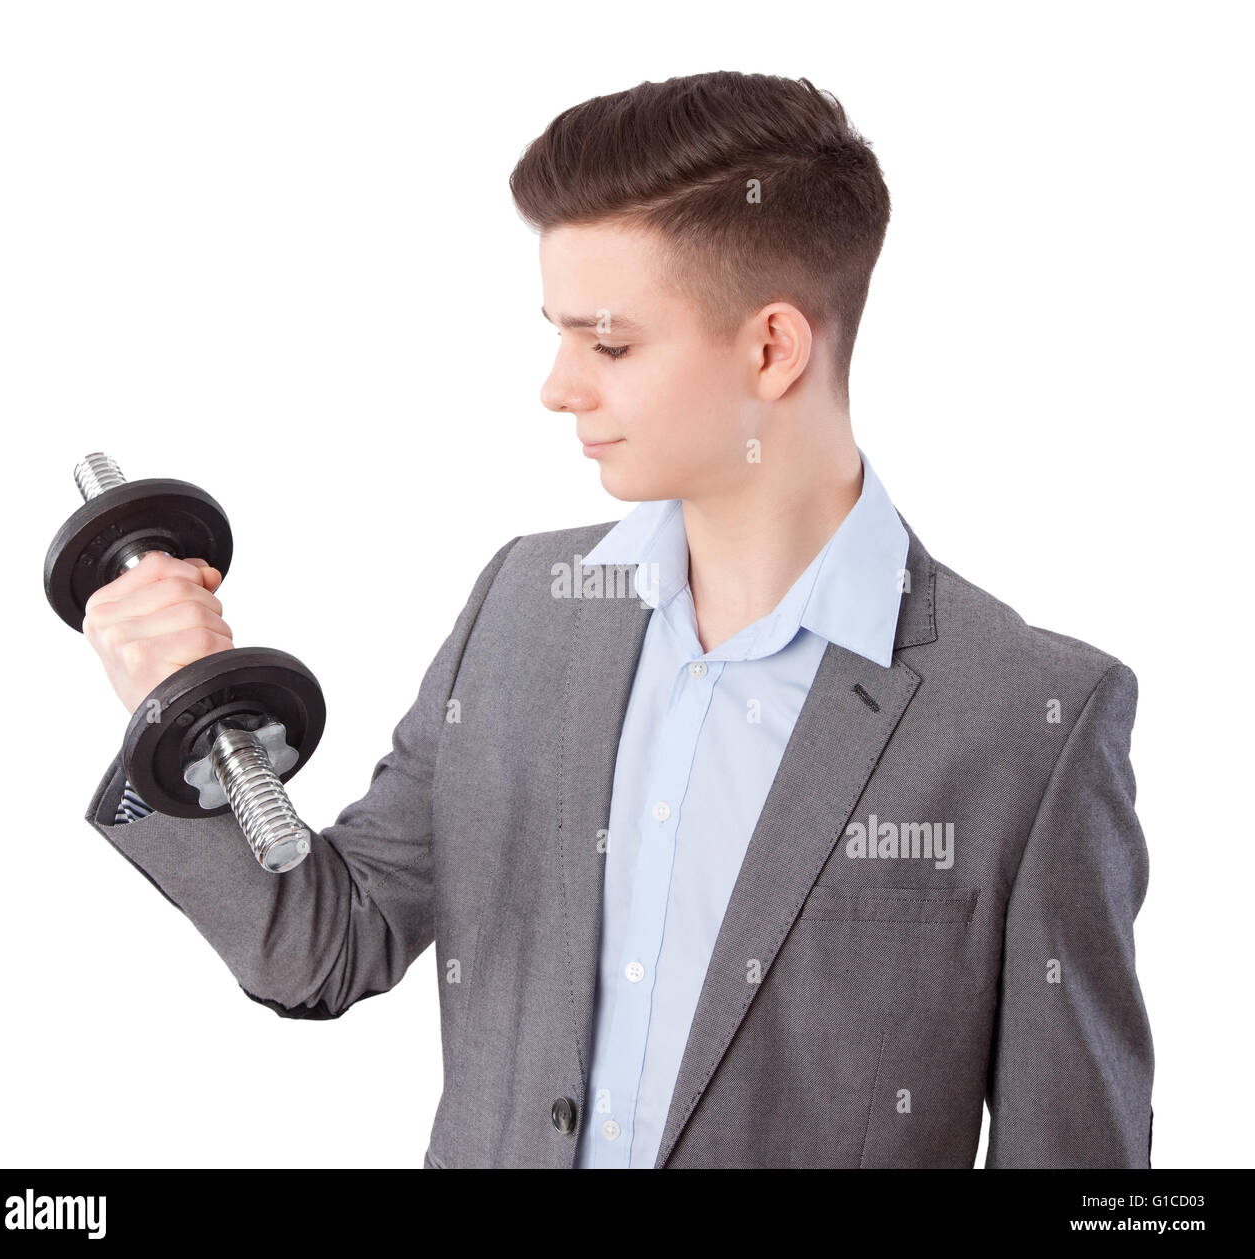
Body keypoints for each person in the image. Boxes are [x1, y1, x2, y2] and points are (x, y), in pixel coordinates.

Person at [81, 70, 1153, 1168]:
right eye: (557, 335)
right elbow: (322, 948)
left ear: (771, 348)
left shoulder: (1029, 717)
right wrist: (179, 711)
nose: (557, 387)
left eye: (609, 344)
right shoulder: (522, 611)